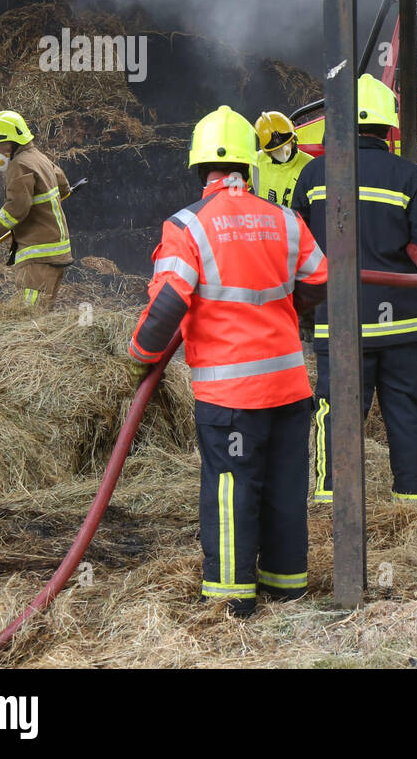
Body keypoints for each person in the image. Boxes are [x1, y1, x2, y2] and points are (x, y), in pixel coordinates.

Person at [126, 105, 328, 618]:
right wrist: (285, 311)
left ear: (200, 170)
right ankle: (286, 589)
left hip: (230, 398)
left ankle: (231, 602)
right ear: (249, 165)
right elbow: (319, 280)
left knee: (231, 491)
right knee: (285, 490)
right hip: (288, 388)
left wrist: (140, 356)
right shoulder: (285, 219)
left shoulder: (186, 226)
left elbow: (169, 300)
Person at [293, 74, 417, 505]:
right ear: (387, 125)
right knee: (408, 411)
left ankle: (330, 498)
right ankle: (412, 499)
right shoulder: (409, 176)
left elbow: (296, 247)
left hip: (340, 321)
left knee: (336, 410)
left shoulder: (314, 174)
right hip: (402, 321)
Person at [0, 109, 73, 309]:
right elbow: (64, 188)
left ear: (11, 142)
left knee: (26, 318)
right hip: (56, 253)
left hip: (37, 256)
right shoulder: (39, 158)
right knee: (41, 317)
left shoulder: (19, 164)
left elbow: (17, 207)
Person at [252, 110, 312, 209]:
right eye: (276, 150)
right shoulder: (256, 161)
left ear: (294, 139)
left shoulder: (310, 166)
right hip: (263, 222)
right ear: (267, 151)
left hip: (296, 224)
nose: (284, 151)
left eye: (286, 143)